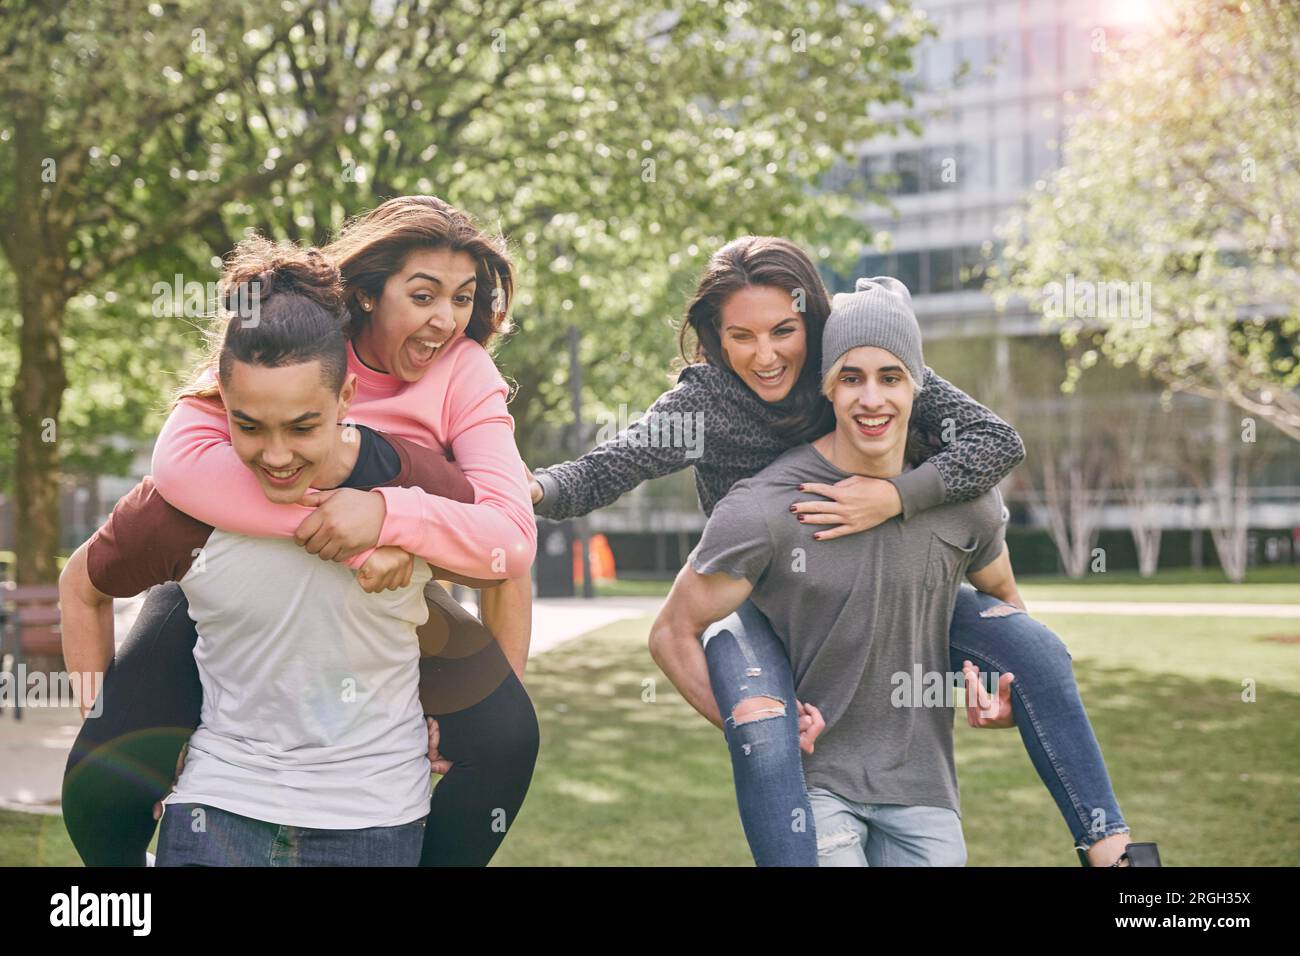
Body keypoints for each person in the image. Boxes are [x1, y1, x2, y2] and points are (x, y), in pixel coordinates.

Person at [532, 239, 1158, 867]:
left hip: (888, 564)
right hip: (763, 593)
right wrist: (531, 489)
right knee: (764, 731)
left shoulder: (860, 359)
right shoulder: (708, 402)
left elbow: (995, 441)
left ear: (815, 325)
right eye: (741, 336)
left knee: (1039, 651)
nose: (767, 355)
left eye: (784, 331)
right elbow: (611, 464)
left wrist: (893, 496)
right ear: (716, 339)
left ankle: (1114, 856)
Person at [62, 199, 539, 867]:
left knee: (508, 734)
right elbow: (180, 468)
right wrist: (347, 530)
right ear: (367, 294)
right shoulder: (292, 344)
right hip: (233, 569)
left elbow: (508, 542)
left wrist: (386, 519)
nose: (447, 319)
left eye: (463, 298)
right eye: (424, 294)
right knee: (101, 773)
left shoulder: (464, 372)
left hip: (398, 582)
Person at [651, 276, 1019, 864]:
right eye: (850, 378)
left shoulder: (964, 499)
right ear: (826, 388)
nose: (871, 399)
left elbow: (1003, 603)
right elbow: (671, 632)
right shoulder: (765, 506)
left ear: (918, 387)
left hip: (926, 791)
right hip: (816, 788)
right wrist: (750, 729)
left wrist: (1007, 689)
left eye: (890, 377)